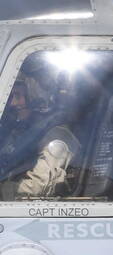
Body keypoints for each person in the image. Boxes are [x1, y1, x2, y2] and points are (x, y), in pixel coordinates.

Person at [0, 68, 79, 201]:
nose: (12, 103)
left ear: (35, 99)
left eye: (18, 96)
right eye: (10, 97)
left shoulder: (58, 135)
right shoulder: (17, 132)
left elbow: (35, 189)